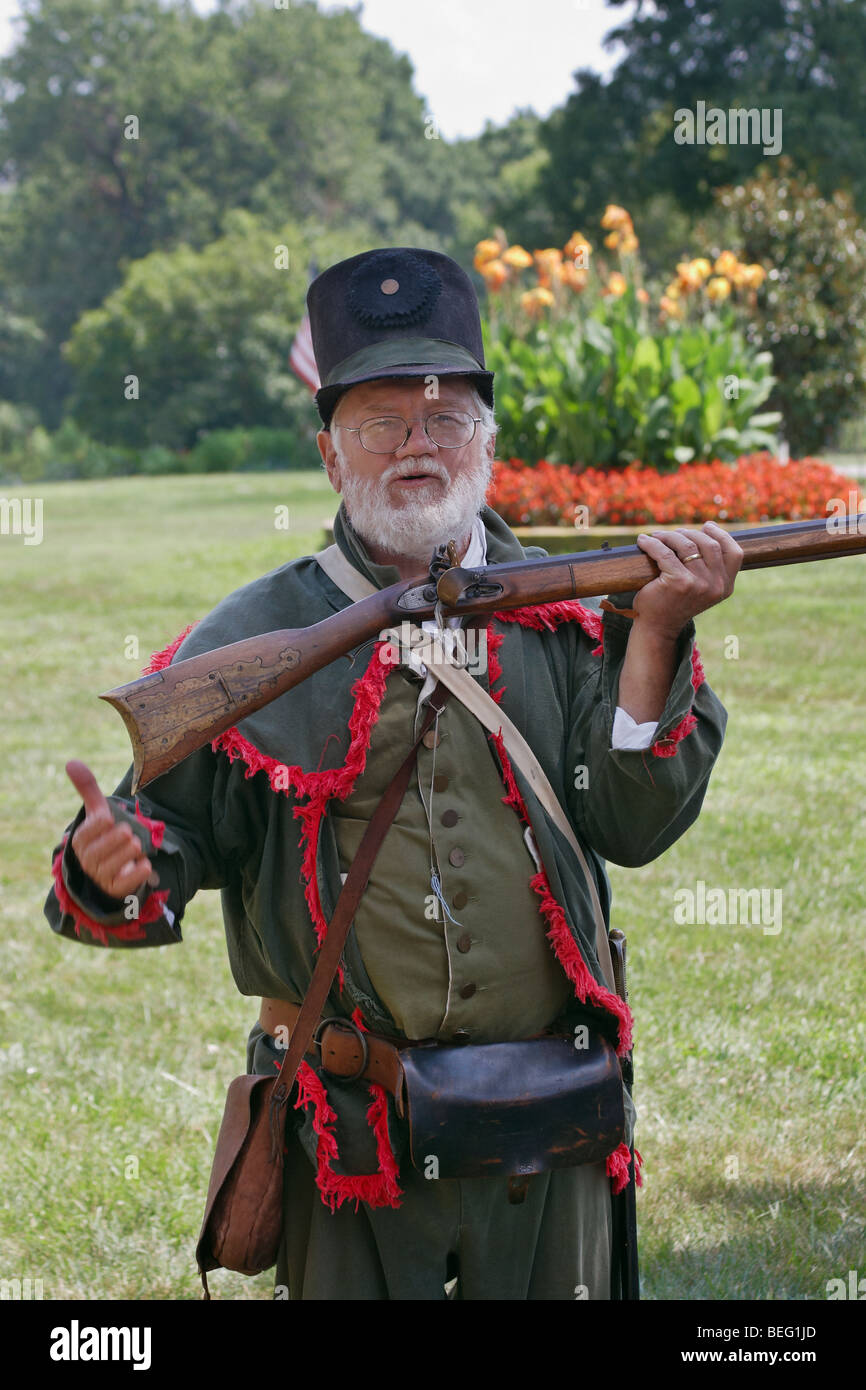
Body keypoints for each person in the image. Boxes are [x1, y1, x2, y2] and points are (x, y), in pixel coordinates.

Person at [45, 246, 742, 1300]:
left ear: (487, 443)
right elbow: (160, 846)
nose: (417, 446)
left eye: (445, 418)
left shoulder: (563, 614)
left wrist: (652, 636)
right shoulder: (253, 640)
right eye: (381, 422)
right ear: (330, 453)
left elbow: (633, 825)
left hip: (549, 1117)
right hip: (350, 1131)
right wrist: (116, 862)